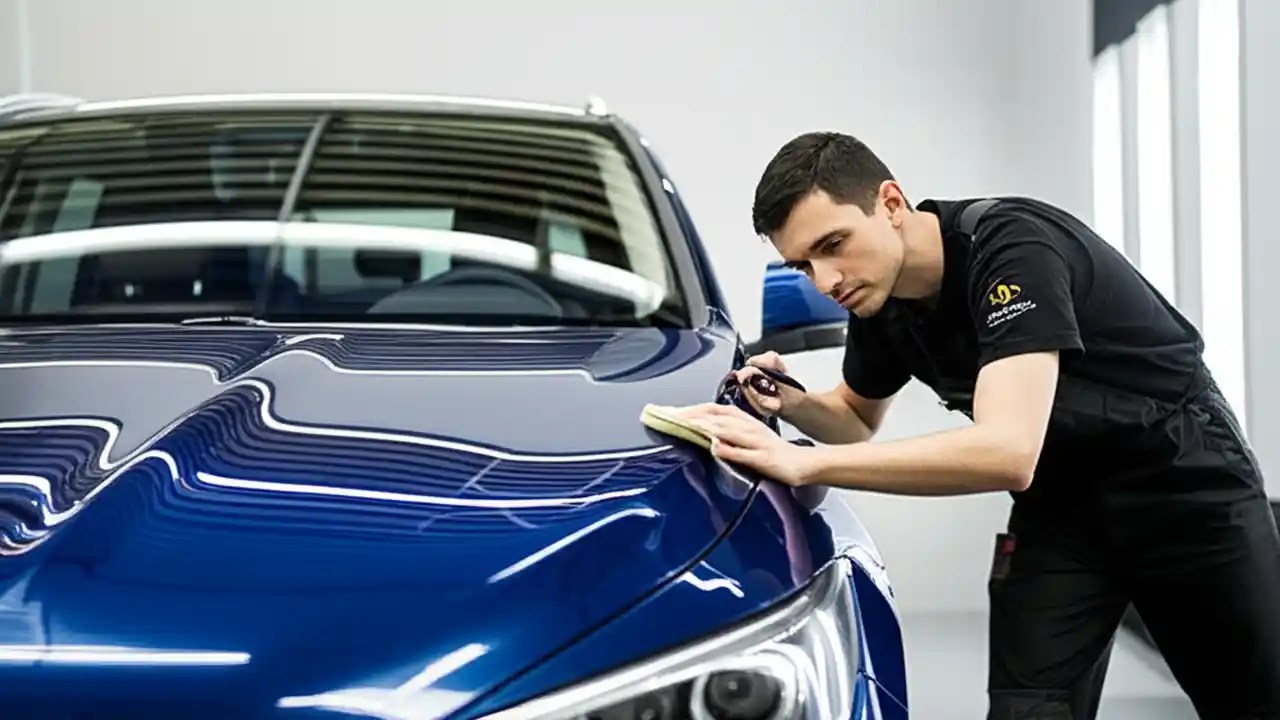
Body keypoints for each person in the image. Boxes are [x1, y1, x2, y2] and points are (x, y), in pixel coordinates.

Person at [678, 131, 1280, 720]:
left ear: (891, 204)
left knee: (1252, 702)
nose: (826, 280)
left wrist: (802, 462)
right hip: (1062, 505)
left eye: (834, 244)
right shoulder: (879, 300)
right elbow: (855, 418)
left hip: (1182, 481)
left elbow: (1008, 451)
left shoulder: (1014, 248)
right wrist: (788, 403)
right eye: (804, 265)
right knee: (1028, 710)